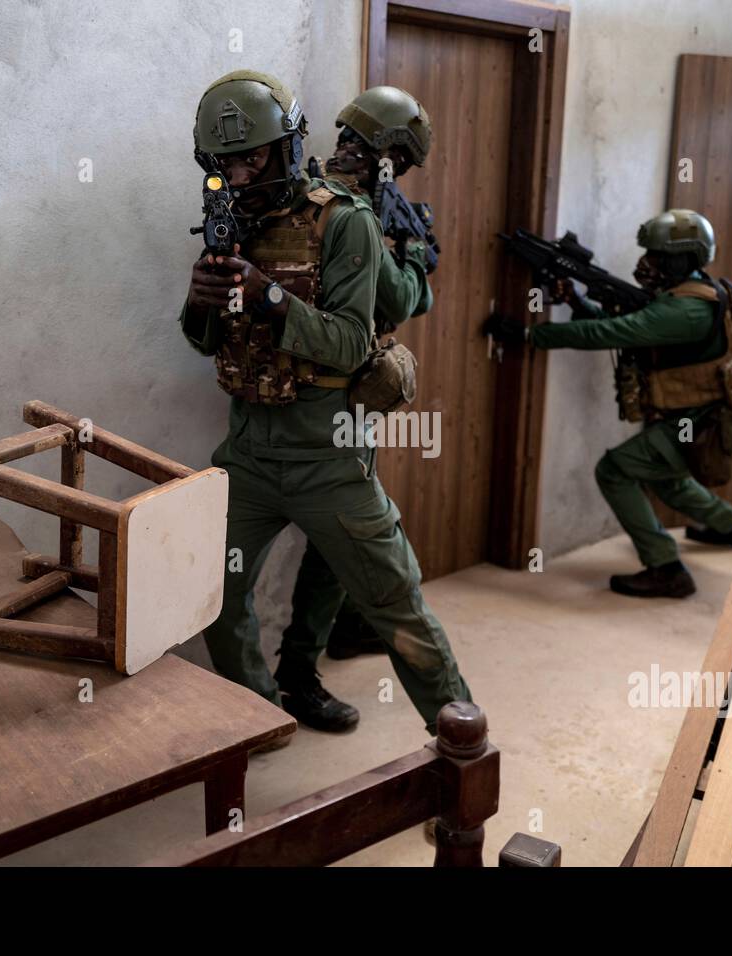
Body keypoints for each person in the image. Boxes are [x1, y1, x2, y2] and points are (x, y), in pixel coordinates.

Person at [179, 70, 471, 738]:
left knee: (397, 607)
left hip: (328, 456)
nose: (241, 171)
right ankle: (263, 720)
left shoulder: (347, 220)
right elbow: (206, 342)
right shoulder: (232, 220)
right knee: (211, 595)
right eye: (226, 161)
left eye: (253, 155)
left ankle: (464, 755)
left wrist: (269, 297)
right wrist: (200, 304)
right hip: (248, 454)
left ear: (283, 148)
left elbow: (347, 341)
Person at [487, 210, 732, 598]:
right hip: (696, 418)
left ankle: (666, 568)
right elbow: (627, 330)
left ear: (684, 259)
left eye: (659, 256)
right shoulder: (693, 292)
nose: (646, 263)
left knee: (615, 470)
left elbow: (611, 331)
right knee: (668, 479)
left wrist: (530, 335)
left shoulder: (685, 310)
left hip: (700, 425)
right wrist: (579, 302)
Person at [276, 86, 437, 711]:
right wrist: (417, 261)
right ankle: (296, 672)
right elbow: (399, 302)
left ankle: (339, 632)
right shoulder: (350, 211)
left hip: (299, 392)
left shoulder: (310, 190)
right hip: (327, 404)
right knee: (344, 536)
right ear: (390, 152)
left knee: (341, 536)